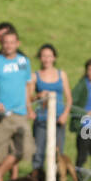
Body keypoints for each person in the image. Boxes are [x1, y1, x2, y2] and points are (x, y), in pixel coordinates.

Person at [29, 44, 69, 173]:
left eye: (49, 56)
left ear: (54, 58)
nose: (46, 59)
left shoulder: (61, 74)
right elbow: (29, 98)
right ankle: (38, 180)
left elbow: (69, 98)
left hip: (58, 119)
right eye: (44, 56)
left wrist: (65, 115)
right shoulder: (35, 76)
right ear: (40, 58)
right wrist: (38, 96)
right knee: (38, 151)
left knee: (58, 151)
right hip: (42, 119)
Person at [69, 58, 91, 172]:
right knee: (82, 156)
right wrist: (85, 113)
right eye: (90, 69)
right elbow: (71, 105)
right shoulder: (82, 85)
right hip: (86, 124)